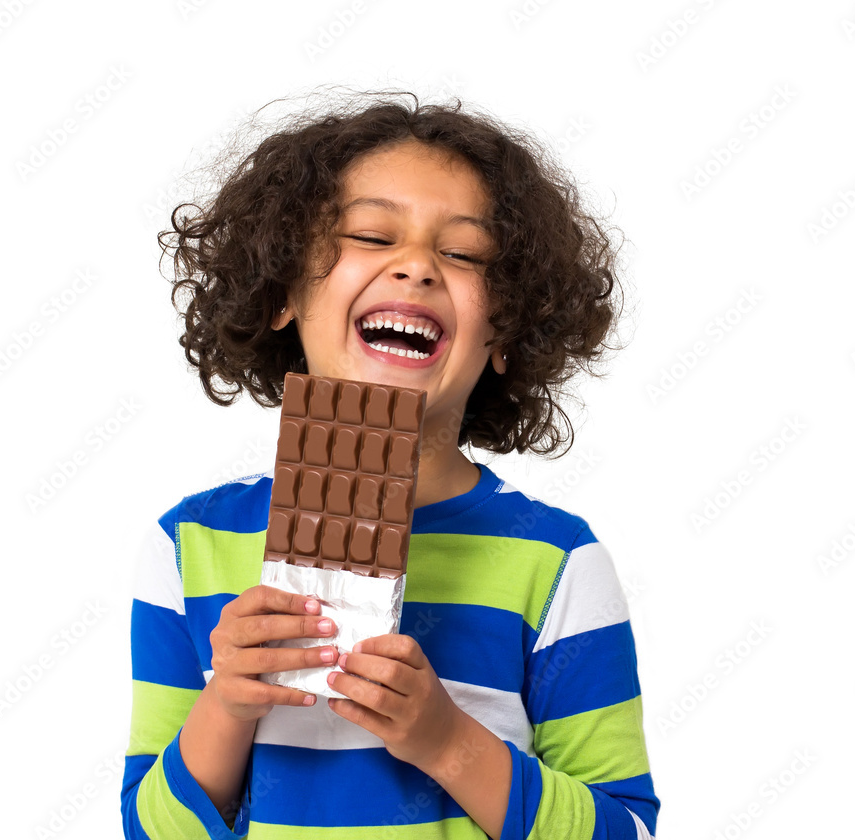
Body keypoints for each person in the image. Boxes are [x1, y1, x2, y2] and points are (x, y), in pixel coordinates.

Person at [121, 89, 660, 840]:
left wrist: (448, 742)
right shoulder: (190, 546)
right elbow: (150, 830)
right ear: (282, 292)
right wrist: (227, 706)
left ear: (505, 332)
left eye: (463, 253)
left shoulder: (558, 562)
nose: (416, 268)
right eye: (372, 236)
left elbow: (624, 831)